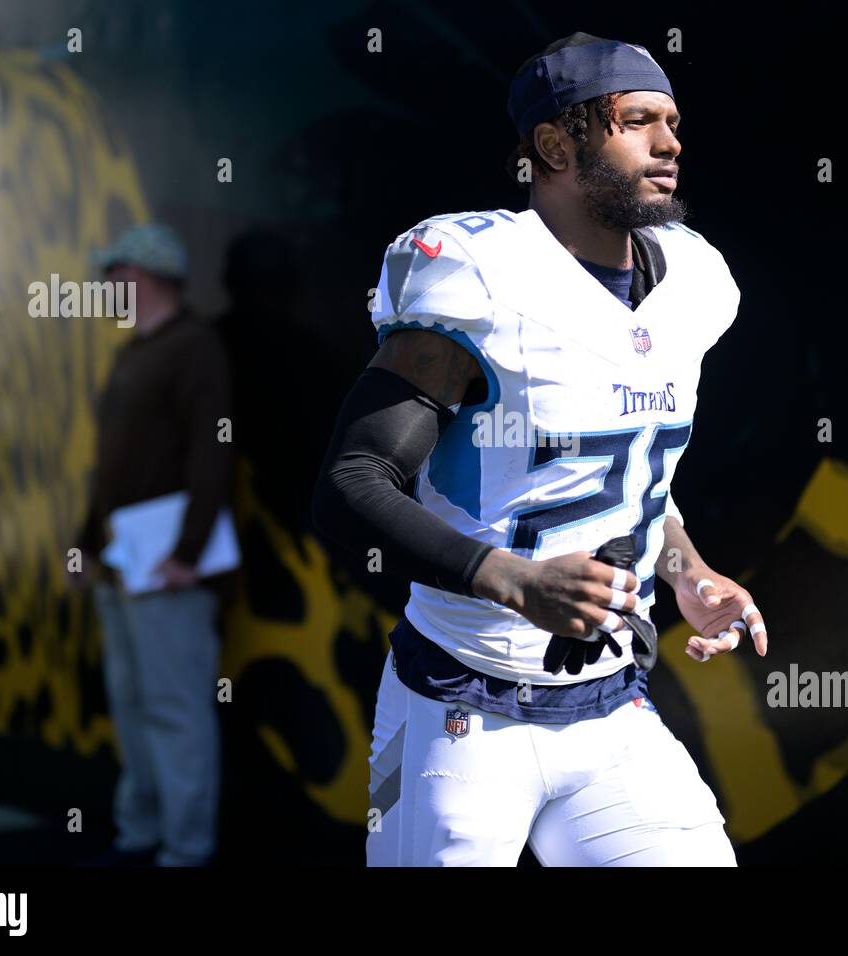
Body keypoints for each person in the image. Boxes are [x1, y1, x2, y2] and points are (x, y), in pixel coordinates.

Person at [314, 32, 769, 866]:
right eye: (637, 121)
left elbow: (628, 481)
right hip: (459, 709)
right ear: (556, 146)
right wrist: (513, 579)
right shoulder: (482, 274)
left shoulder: (695, 281)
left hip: (610, 709)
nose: (670, 143)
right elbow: (351, 482)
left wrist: (688, 573)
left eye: (672, 120)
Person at [69, 223, 235, 867]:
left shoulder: (195, 347)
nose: (107, 285)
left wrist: (188, 553)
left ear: (144, 274)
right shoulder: (133, 352)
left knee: (174, 707)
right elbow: (109, 469)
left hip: (168, 568)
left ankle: (185, 848)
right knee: (134, 704)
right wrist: (86, 545)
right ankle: (140, 833)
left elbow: (213, 452)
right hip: (124, 563)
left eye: (115, 272)